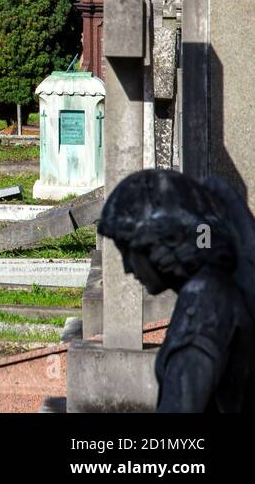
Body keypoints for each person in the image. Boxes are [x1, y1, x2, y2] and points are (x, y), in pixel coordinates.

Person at [99, 169, 255, 412]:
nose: (127, 267)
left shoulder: (204, 306)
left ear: (158, 240)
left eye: (128, 251)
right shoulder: (214, 289)